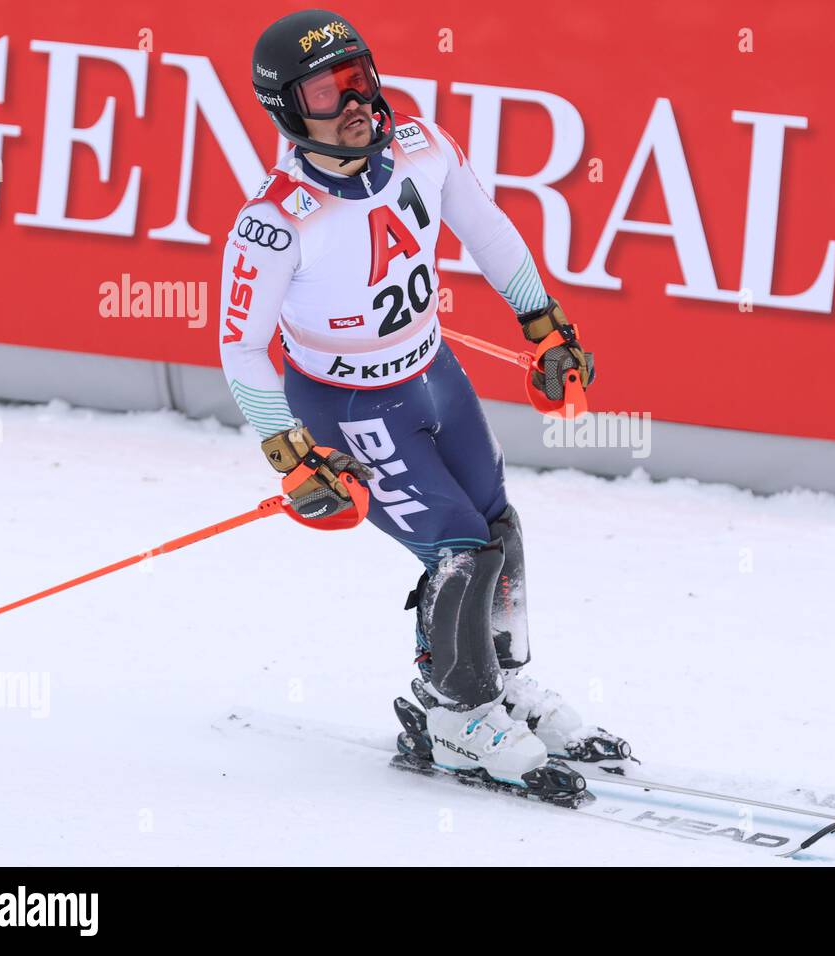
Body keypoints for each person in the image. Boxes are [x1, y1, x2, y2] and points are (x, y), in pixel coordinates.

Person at [220, 9, 605, 786]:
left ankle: (498, 681)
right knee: (459, 547)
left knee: (498, 523)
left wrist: (545, 324)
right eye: (330, 94)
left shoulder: (424, 147)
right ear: (291, 113)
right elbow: (241, 346)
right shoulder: (274, 223)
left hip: (435, 373)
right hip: (351, 405)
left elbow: (488, 230)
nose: (357, 104)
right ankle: (457, 712)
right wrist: (290, 454)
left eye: (360, 80)